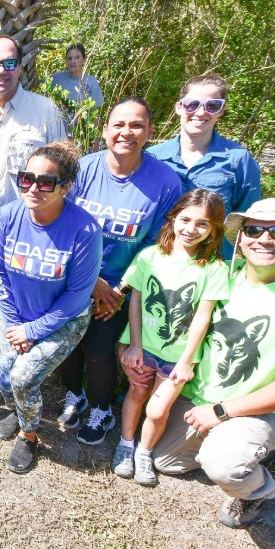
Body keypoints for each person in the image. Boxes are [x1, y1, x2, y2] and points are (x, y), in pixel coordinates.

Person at [146, 199, 275, 529]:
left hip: (262, 408)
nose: (264, 239)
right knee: (165, 462)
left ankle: (256, 490)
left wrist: (221, 412)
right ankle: (239, 446)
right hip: (201, 396)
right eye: (253, 229)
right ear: (240, 237)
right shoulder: (223, 278)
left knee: (223, 464)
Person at [63, 99, 186, 445]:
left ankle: (101, 409)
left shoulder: (164, 182)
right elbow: (62, 224)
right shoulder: (82, 170)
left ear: (149, 132)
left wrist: (119, 288)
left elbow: (156, 242)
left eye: (136, 126)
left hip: (123, 288)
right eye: (118, 124)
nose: (126, 133)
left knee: (100, 348)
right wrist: (89, 281)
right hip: (75, 278)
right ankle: (75, 394)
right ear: (105, 131)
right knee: (67, 343)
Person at [0, 140, 100, 472]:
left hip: (64, 319)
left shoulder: (85, 229)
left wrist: (32, 331)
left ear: (64, 187)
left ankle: (29, 436)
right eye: (27, 178)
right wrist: (14, 323)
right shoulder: (8, 215)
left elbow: (78, 297)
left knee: (23, 380)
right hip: (15, 315)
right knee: (6, 378)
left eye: (45, 181)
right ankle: (19, 411)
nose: (33, 188)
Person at [112, 189, 229, 486]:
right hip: (143, 347)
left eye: (202, 224)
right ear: (173, 218)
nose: (191, 229)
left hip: (177, 357)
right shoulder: (150, 256)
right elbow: (135, 301)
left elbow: (203, 316)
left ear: (214, 230)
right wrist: (134, 344)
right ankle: (126, 444)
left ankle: (145, 451)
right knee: (137, 393)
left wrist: (187, 360)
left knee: (158, 408)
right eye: (186, 219)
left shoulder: (213, 269)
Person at [146, 75, 263, 248]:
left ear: (221, 111)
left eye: (212, 106)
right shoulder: (152, 157)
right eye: (192, 104)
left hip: (214, 263)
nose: (200, 112)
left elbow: (248, 217)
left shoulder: (238, 159)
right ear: (179, 107)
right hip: (158, 259)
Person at [0, 35, 67, 204]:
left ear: (19, 67)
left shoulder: (48, 112)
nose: (1, 71)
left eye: (9, 64)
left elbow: (64, 174)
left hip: (27, 224)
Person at [49, 42, 105, 114]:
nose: (73, 61)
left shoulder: (91, 81)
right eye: (69, 58)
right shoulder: (56, 78)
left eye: (77, 57)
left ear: (84, 60)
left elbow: (95, 114)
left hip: (83, 125)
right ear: (66, 61)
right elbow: (36, 84)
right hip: (59, 124)